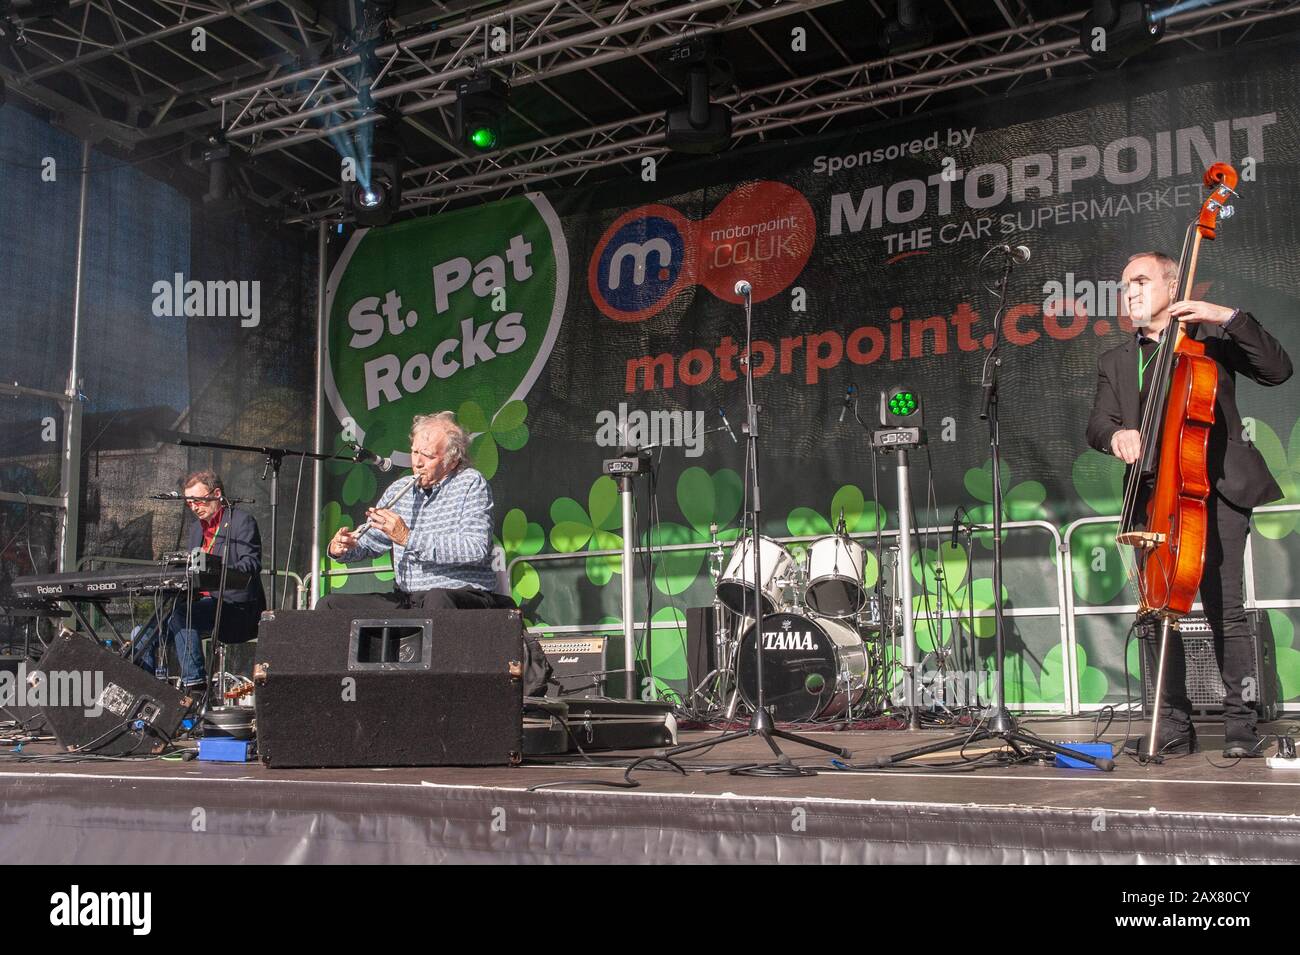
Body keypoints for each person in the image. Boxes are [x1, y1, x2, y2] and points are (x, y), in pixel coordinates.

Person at [1086, 251, 1293, 758]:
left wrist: (1228, 316)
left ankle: (1242, 726)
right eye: (1124, 285)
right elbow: (1097, 424)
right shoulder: (1116, 360)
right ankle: (1173, 724)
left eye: (1140, 281)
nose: (1130, 291)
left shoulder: (1213, 342)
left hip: (1213, 489)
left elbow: (1278, 369)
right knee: (1156, 613)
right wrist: (1117, 436)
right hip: (1153, 497)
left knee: (1227, 610)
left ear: (1171, 287)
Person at [320, 412, 514, 612]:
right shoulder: (400, 489)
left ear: (453, 460)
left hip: (462, 595)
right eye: (414, 452)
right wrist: (346, 547)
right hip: (407, 598)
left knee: (436, 598)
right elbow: (372, 541)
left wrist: (408, 538)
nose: (418, 462)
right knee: (330, 605)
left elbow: (475, 549)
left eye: (428, 456)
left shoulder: (470, 483)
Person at [132, 470, 266, 695]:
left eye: (198, 500)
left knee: (182, 615)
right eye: (189, 503)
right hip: (198, 606)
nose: (194, 507)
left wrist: (215, 570)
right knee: (141, 632)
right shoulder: (196, 529)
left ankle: (195, 687)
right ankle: (148, 693)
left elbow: (250, 566)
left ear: (217, 494)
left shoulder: (241, 521)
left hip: (234, 607)